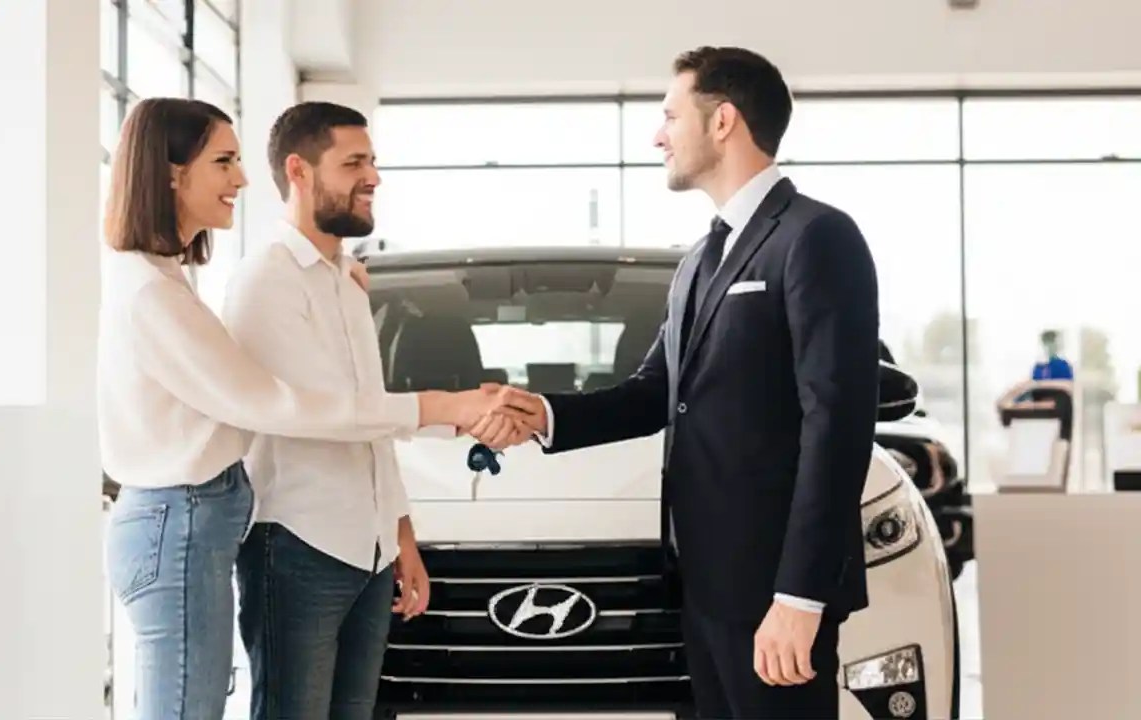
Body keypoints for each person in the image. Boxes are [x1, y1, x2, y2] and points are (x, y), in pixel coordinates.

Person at [484, 47, 881, 718]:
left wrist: (799, 597)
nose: (657, 134)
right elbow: (654, 392)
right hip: (704, 584)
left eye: (670, 115)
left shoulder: (817, 237)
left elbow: (838, 426)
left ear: (722, 120)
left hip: (774, 591)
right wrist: (544, 415)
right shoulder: (700, 258)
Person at [97, 97, 519, 720]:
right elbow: (283, 408)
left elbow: (353, 414)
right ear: (170, 174)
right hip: (226, 525)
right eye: (224, 161)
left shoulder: (191, 280)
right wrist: (444, 407)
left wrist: (398, 529)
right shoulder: (182, 289)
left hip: (244, 524)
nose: (240, 179)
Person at [222, 101, 527, 720]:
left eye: (374, 161)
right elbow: (321, 414)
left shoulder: (343, 279)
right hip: (297, 544)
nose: (374, 177)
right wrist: (451, 407)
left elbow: (368, 425)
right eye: (354, 162)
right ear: (299, 171)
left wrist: (401, 534)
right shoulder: (268, 280)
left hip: (367, 551)